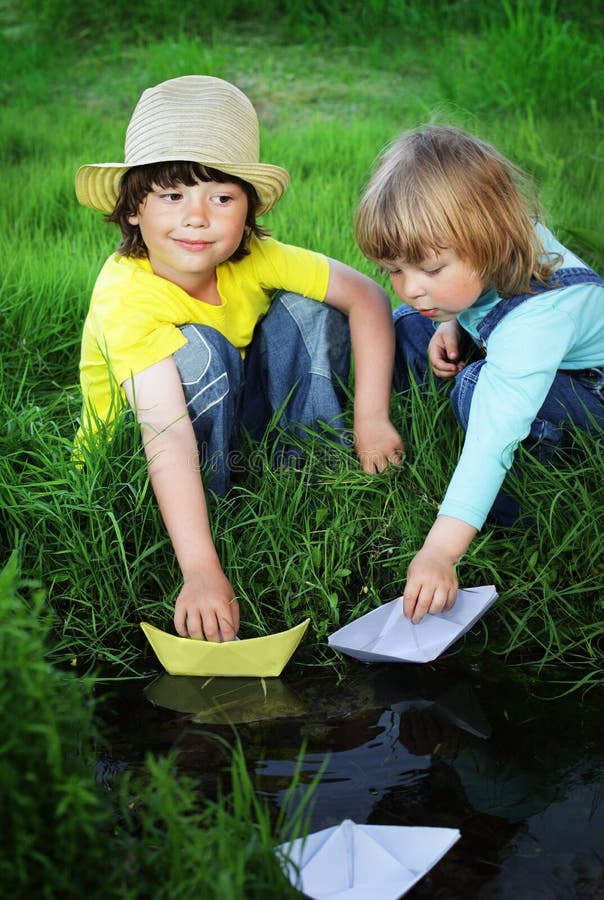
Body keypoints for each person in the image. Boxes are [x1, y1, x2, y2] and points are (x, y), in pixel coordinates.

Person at [74, 75, 404, 642]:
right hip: (148, 444)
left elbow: (369, 297)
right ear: (133, 209)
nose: (197, 218)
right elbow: (165, 432)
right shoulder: (126, 297)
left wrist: (372, 419)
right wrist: (199, 571)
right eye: (172, 196)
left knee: (310, 308)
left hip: (231, 414)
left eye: (221, 197)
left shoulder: (255, 257)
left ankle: (308, 475)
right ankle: (217, 510)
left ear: (247, 209)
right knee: (199, 347)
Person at [355, 124, 604, 624]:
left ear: (488, 238)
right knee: (405, 325)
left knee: (475, 389)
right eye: (394, 270)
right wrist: (454, 321)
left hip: (589, 398)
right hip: (529, 353)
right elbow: (479, 299)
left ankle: (522, 516)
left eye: (429, 269)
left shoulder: (541, 318)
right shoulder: (500, 242)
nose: (410, 287)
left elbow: (491, 441)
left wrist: (440, 554)